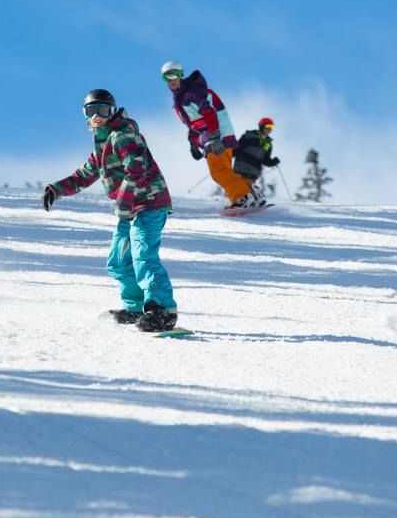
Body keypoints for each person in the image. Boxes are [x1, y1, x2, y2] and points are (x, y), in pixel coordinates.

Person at [42, 89, 178, 332]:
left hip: (149, 203)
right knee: (118, 260)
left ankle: (163, 311)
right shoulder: (102, 145)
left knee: (143, 256)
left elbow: (135, 168)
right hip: (128, 209)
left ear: (112, 111)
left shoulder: (123, 135)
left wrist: (124, 200)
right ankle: (136, 308)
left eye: (102, 110)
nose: (97, 117)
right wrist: (56, 189)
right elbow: (84, 175)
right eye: (91, 111)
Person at [160, 61, 256, 208]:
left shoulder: (192, 93)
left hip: (216, 136)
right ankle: (253, 194)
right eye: (166, 77)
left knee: (219, 172)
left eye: (173, 75)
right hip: (217, 136)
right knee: (224, 171)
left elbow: (209, 113)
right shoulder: (182, 97)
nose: (171, 80)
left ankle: (242, 197)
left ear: (181, 75)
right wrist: (193, 143)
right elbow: (194, 125)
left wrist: (215, 137)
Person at [233, 117, 280, 204]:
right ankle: (241, 202)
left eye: (271, 127)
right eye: (268, 126)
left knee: (249, 188)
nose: (269, 129)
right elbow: (237, 148)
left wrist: (273, 162)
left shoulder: (268, 144)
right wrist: (228, 153)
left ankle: (251, 203)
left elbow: (265, 160)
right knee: (240, 186)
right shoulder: (249, 136)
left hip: (254, 171)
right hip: (241, 167)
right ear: (261, 126)